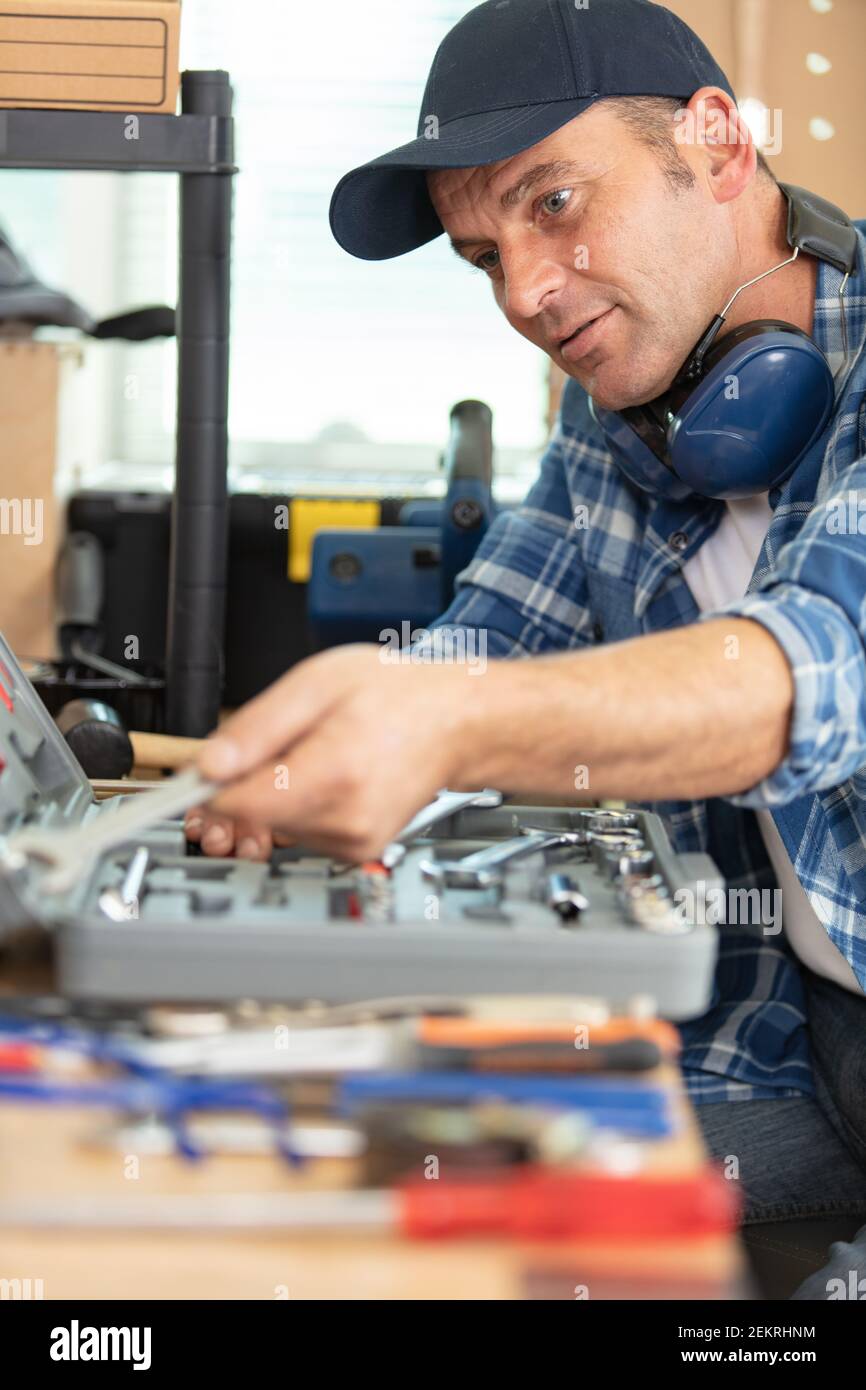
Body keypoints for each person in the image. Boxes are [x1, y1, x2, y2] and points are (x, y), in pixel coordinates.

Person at [185, 0, 866, 1297]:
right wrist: (315, 747)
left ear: (715, 144)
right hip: (784, 1030)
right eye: (480, 252)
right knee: (373, 1198)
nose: (524, 293)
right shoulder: (613, 404)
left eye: (553, 204)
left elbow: (809, 666)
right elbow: (488, 644)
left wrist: (449, 727)